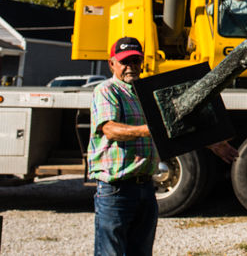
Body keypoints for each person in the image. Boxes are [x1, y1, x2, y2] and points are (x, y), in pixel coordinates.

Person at [90, 37, 238, 255]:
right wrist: (149, 129)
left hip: (145, 188)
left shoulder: (146, 92)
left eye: (135, 61)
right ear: (111, 64)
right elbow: (109, 129)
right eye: (124, 62)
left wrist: (213, 145)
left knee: (141, 251)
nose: (131, 67)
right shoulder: (107, 90)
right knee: (110, 252)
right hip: (116, 189)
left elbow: (177, 128)